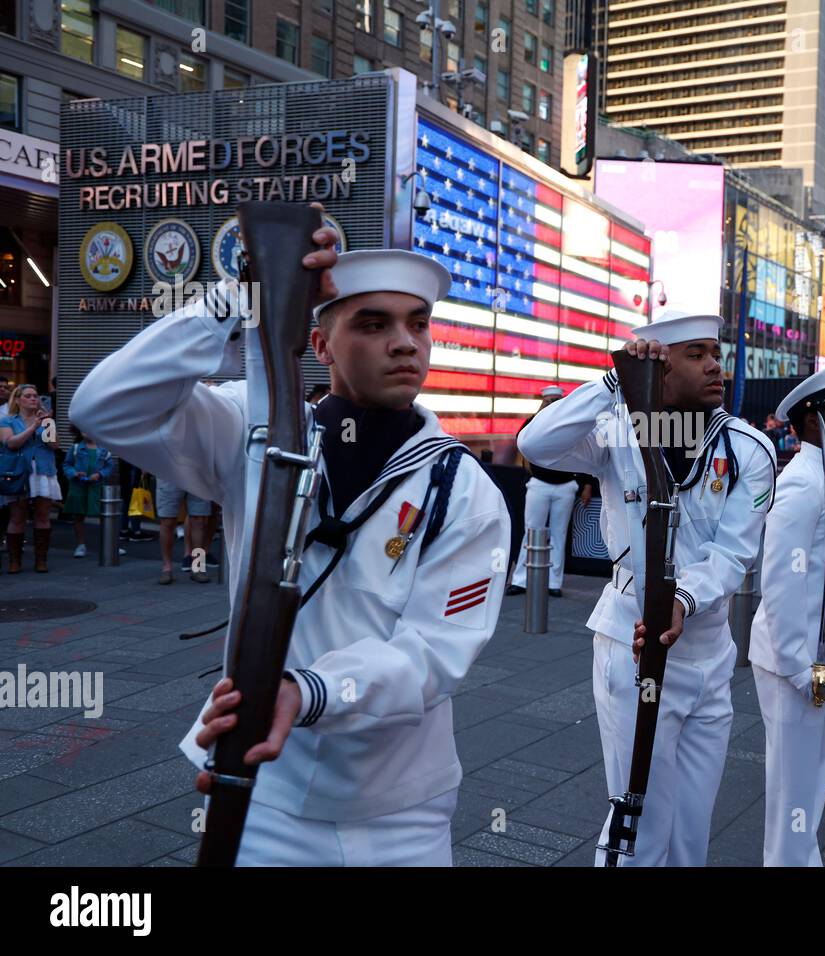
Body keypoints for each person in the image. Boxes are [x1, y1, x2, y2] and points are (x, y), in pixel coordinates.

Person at [70, 230, 511, 866]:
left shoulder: (463, 488)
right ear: (321, 344)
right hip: (264, 797)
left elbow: (435, 655)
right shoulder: (253, 429)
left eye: (418, 324)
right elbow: (102, 407)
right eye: (373, 323)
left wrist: (308, 691)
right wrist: (233, 299)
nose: (404, 343)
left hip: (399, 812)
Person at [518, 309, 775, 867]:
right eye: (696, 355)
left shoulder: (750, 449)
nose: (714, 366)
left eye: (715, 353)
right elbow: (537, 443)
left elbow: (734, 551)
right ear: (661, 366)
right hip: (629, 642)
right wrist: (614, 382)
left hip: (707, 650)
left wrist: (683, 599)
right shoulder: (617, 434)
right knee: (639, 816)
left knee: (691, 826)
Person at [749, 368, 825, 866]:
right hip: (799, 668)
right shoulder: (801, 484)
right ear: (816, 420)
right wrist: (801, 670)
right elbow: (778, 581)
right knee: (793, 794)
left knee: (810, 788)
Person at [506, 384, 588, 599]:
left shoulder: (568, 422)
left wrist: (586, 483)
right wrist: (541, 414)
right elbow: (521, 439)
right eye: (548, 400)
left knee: (558, 535)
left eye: (555, 401)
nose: (551, 404)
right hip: (539, 483)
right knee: (531, 531)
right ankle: (520, 580)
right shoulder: (534, 421)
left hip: (565, 484)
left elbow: (587, 446)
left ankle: (553, 582)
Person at [2, 383, 60, 572]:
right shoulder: (7, 421)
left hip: (43, 470)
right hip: (19, 471)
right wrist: (33, 427)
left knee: (43, 515)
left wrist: (45, 424)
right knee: (17, 516)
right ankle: (14, 560)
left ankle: (41, 559)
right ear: (18, 400)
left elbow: (54, 445)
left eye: (35, 396)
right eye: (28, 396)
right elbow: (11, 443)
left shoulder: (47, 421)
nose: (33, 399)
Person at [62, 428, 112, 558]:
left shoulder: (104, 449)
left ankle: (110, 544)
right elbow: (66, 465)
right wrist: (74, 473)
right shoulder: (75, 447)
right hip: (78, 486)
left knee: (105, 516)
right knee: (78, 515)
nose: (88, 432)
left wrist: (100, 474)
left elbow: (109, 466)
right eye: (84, 430)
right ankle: (80, 545)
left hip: (97, 487)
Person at [154, 478, 213, 585]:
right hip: (169, 470)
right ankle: (166, 568)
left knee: (199, 520)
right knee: (167, 521)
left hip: (198, 471)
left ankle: (197, 566)